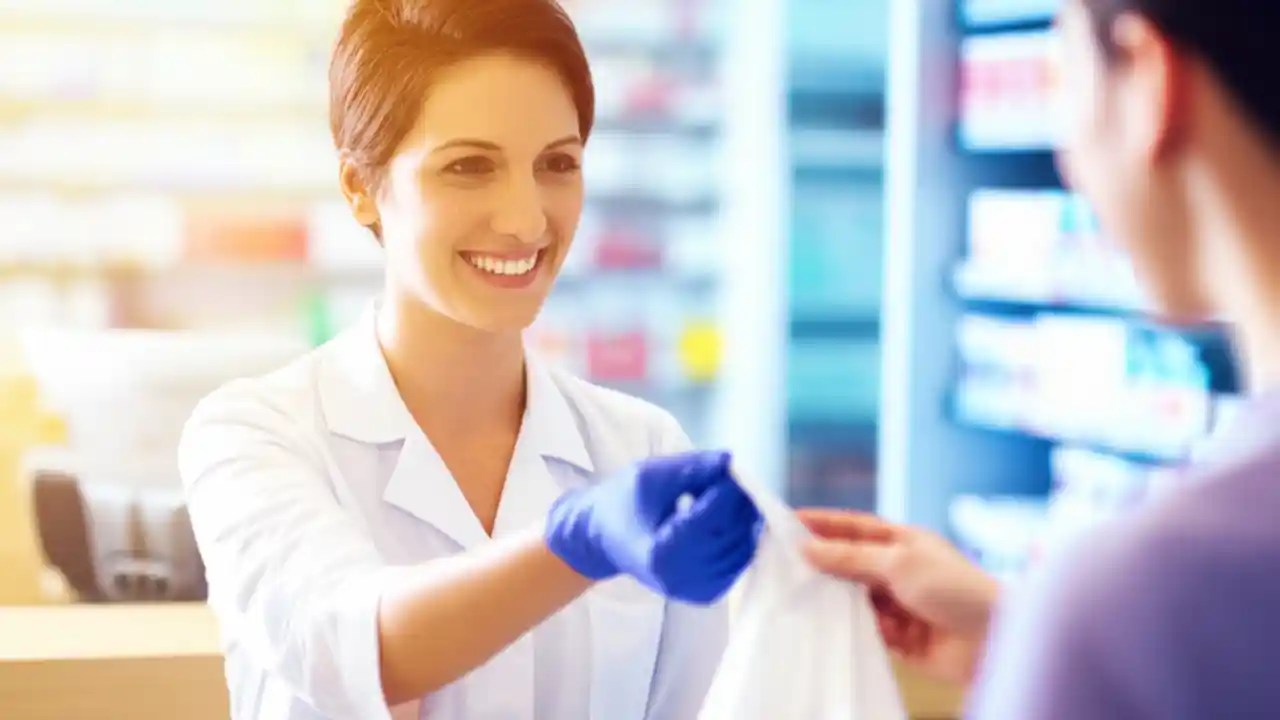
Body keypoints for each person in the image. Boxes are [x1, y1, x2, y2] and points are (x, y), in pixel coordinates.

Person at [177, 1, 759, 718]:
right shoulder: (255, 435)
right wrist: (576, 546)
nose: (525, 219)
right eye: (468, 167)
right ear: (361, 186)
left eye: (557, 164)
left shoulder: (639, 448)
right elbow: (357, 645)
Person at [794, 1, 1280, 717]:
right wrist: (1023, 635)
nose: (1067, 160)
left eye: (1064, 78)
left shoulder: (1146, 593)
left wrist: (1078, 644)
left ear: (1148, 79)